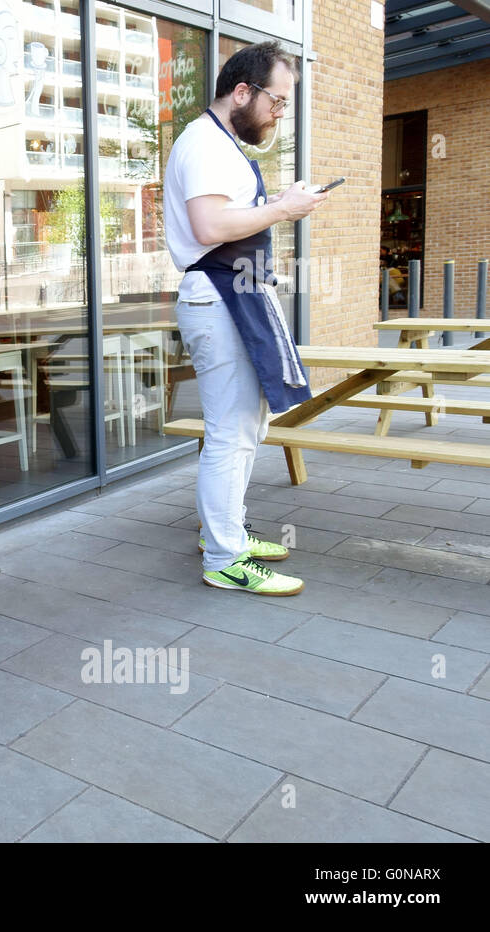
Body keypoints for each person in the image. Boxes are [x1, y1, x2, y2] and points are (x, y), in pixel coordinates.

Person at [163, 41, 329, 596]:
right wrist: (284, 208)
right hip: (219, 298)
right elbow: (210, 228)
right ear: (243, 92)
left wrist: (279, 200)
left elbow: (226, 216)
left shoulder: (218, 143)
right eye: (277, 102)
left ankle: (224, 534)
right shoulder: (206, 145)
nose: (279, 114)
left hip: (230, 296)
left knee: (245, 430)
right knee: (231, 436)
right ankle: (226, 558)